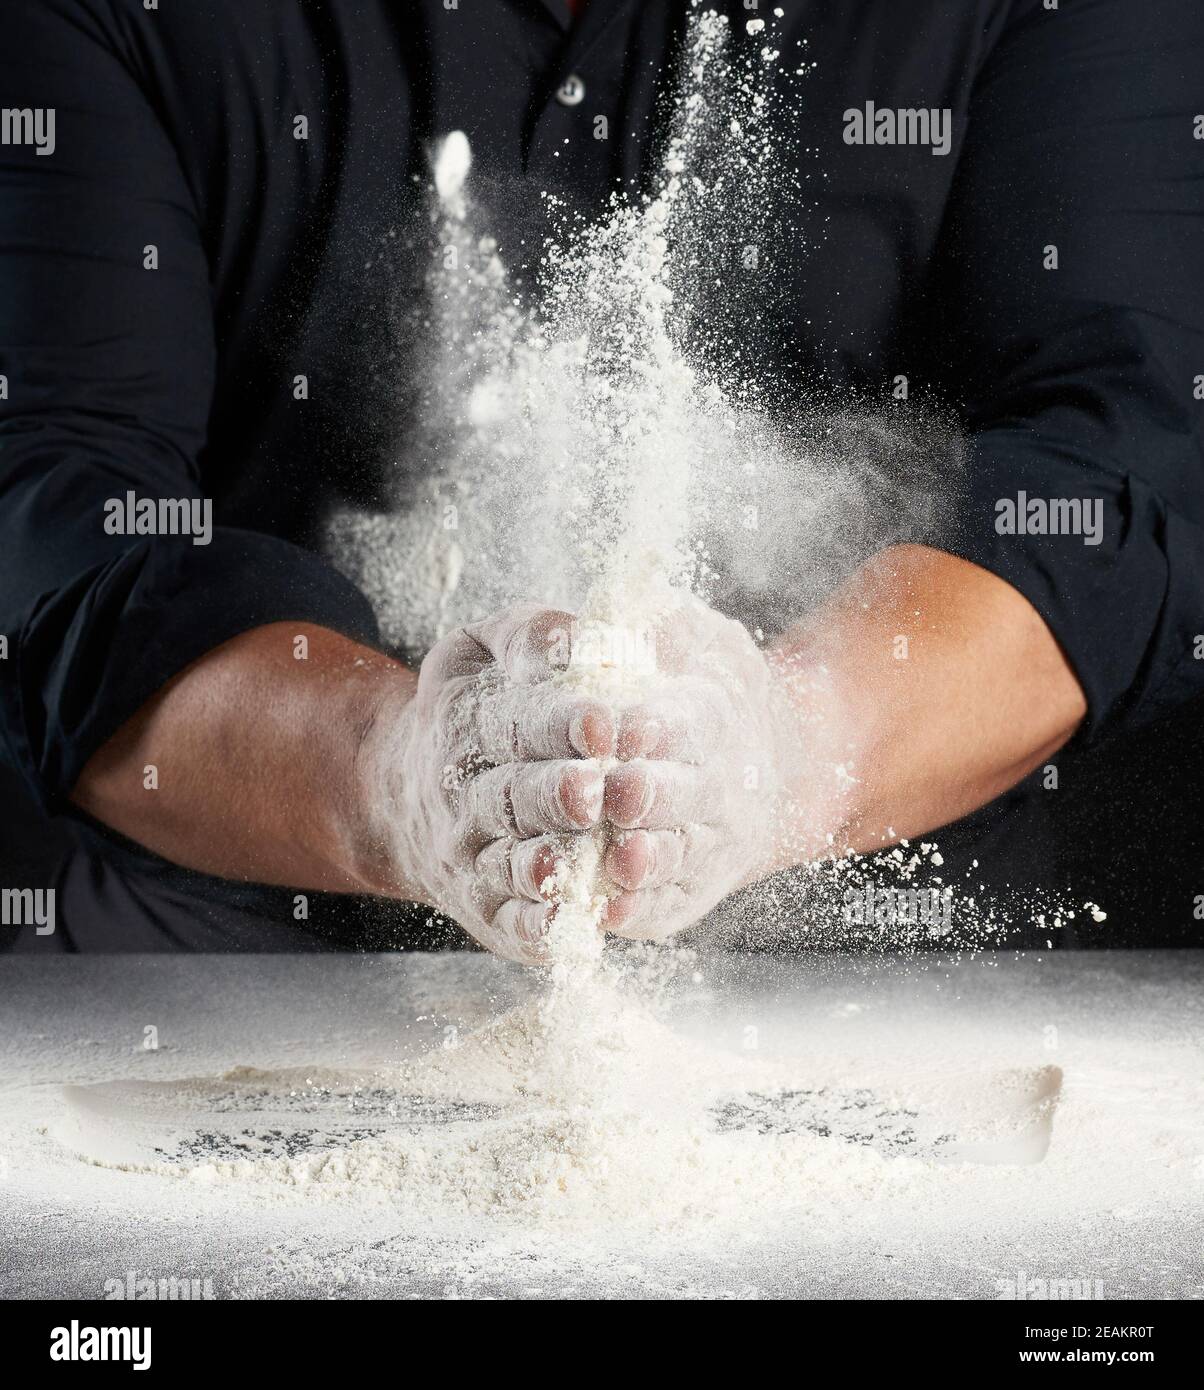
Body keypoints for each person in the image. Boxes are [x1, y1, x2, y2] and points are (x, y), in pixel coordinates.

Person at [1, 0, 1201, 954]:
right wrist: (401, 781)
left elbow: (1119, 467)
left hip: (873, 1036)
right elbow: (47, 513)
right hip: (205, 1018)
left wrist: (785, 749)